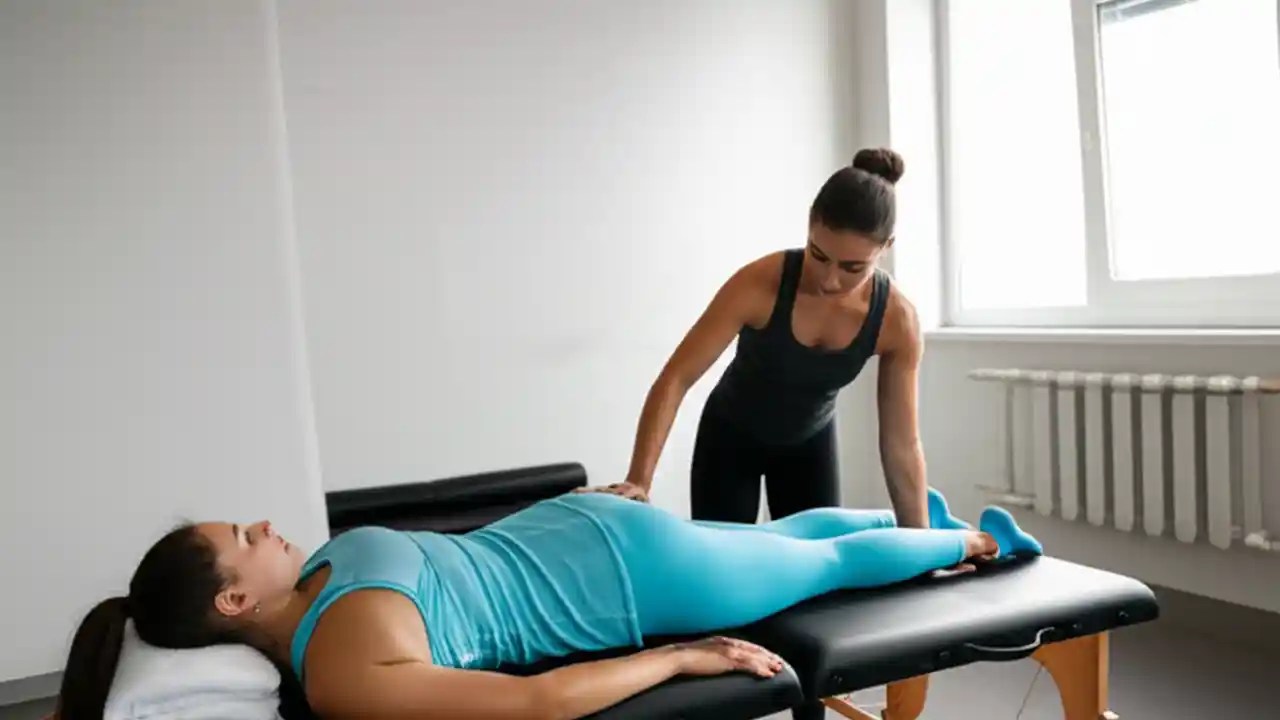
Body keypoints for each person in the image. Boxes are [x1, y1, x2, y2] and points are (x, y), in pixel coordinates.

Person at [53, 488, 1042, 720]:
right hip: (636, 577)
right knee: (810, 553)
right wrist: (679, 655)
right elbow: (538, 707)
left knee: (803, 545)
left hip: (603, 541)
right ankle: (977, 543)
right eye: (243, 541)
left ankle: (937, 528)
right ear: (233, 599)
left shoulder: (323, 574)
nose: (265, 527)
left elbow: (473, 561)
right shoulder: (342, 666)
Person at [601, 148, 931, 528]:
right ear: (809, 226)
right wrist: (639, 479)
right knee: (724, 570)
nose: (829, 280)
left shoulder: (897, 321)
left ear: (886, 248)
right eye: (818, 255)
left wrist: (920, 544)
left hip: (810, 445)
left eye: (852, 268)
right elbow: (677, 377)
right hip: (729, 441)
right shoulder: (759, 284)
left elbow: (901, 444)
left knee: (816, 572)